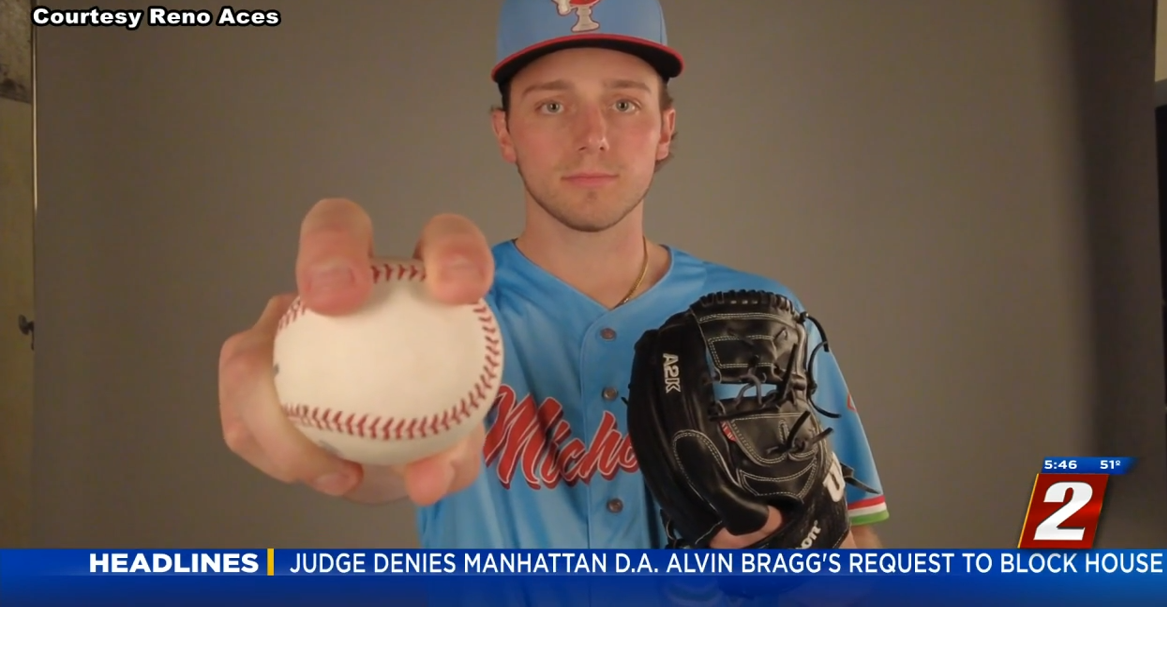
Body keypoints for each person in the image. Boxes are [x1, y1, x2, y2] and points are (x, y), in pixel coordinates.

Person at [218, 0, 888, 552]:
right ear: (505, 132)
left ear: (665, 130)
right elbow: (385, 469)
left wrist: (808, 565)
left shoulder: (767, 319)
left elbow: (862, 547)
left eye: (624, 104)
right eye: (551, 106)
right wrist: (321, 393)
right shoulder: (434, 322)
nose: (591, 134)